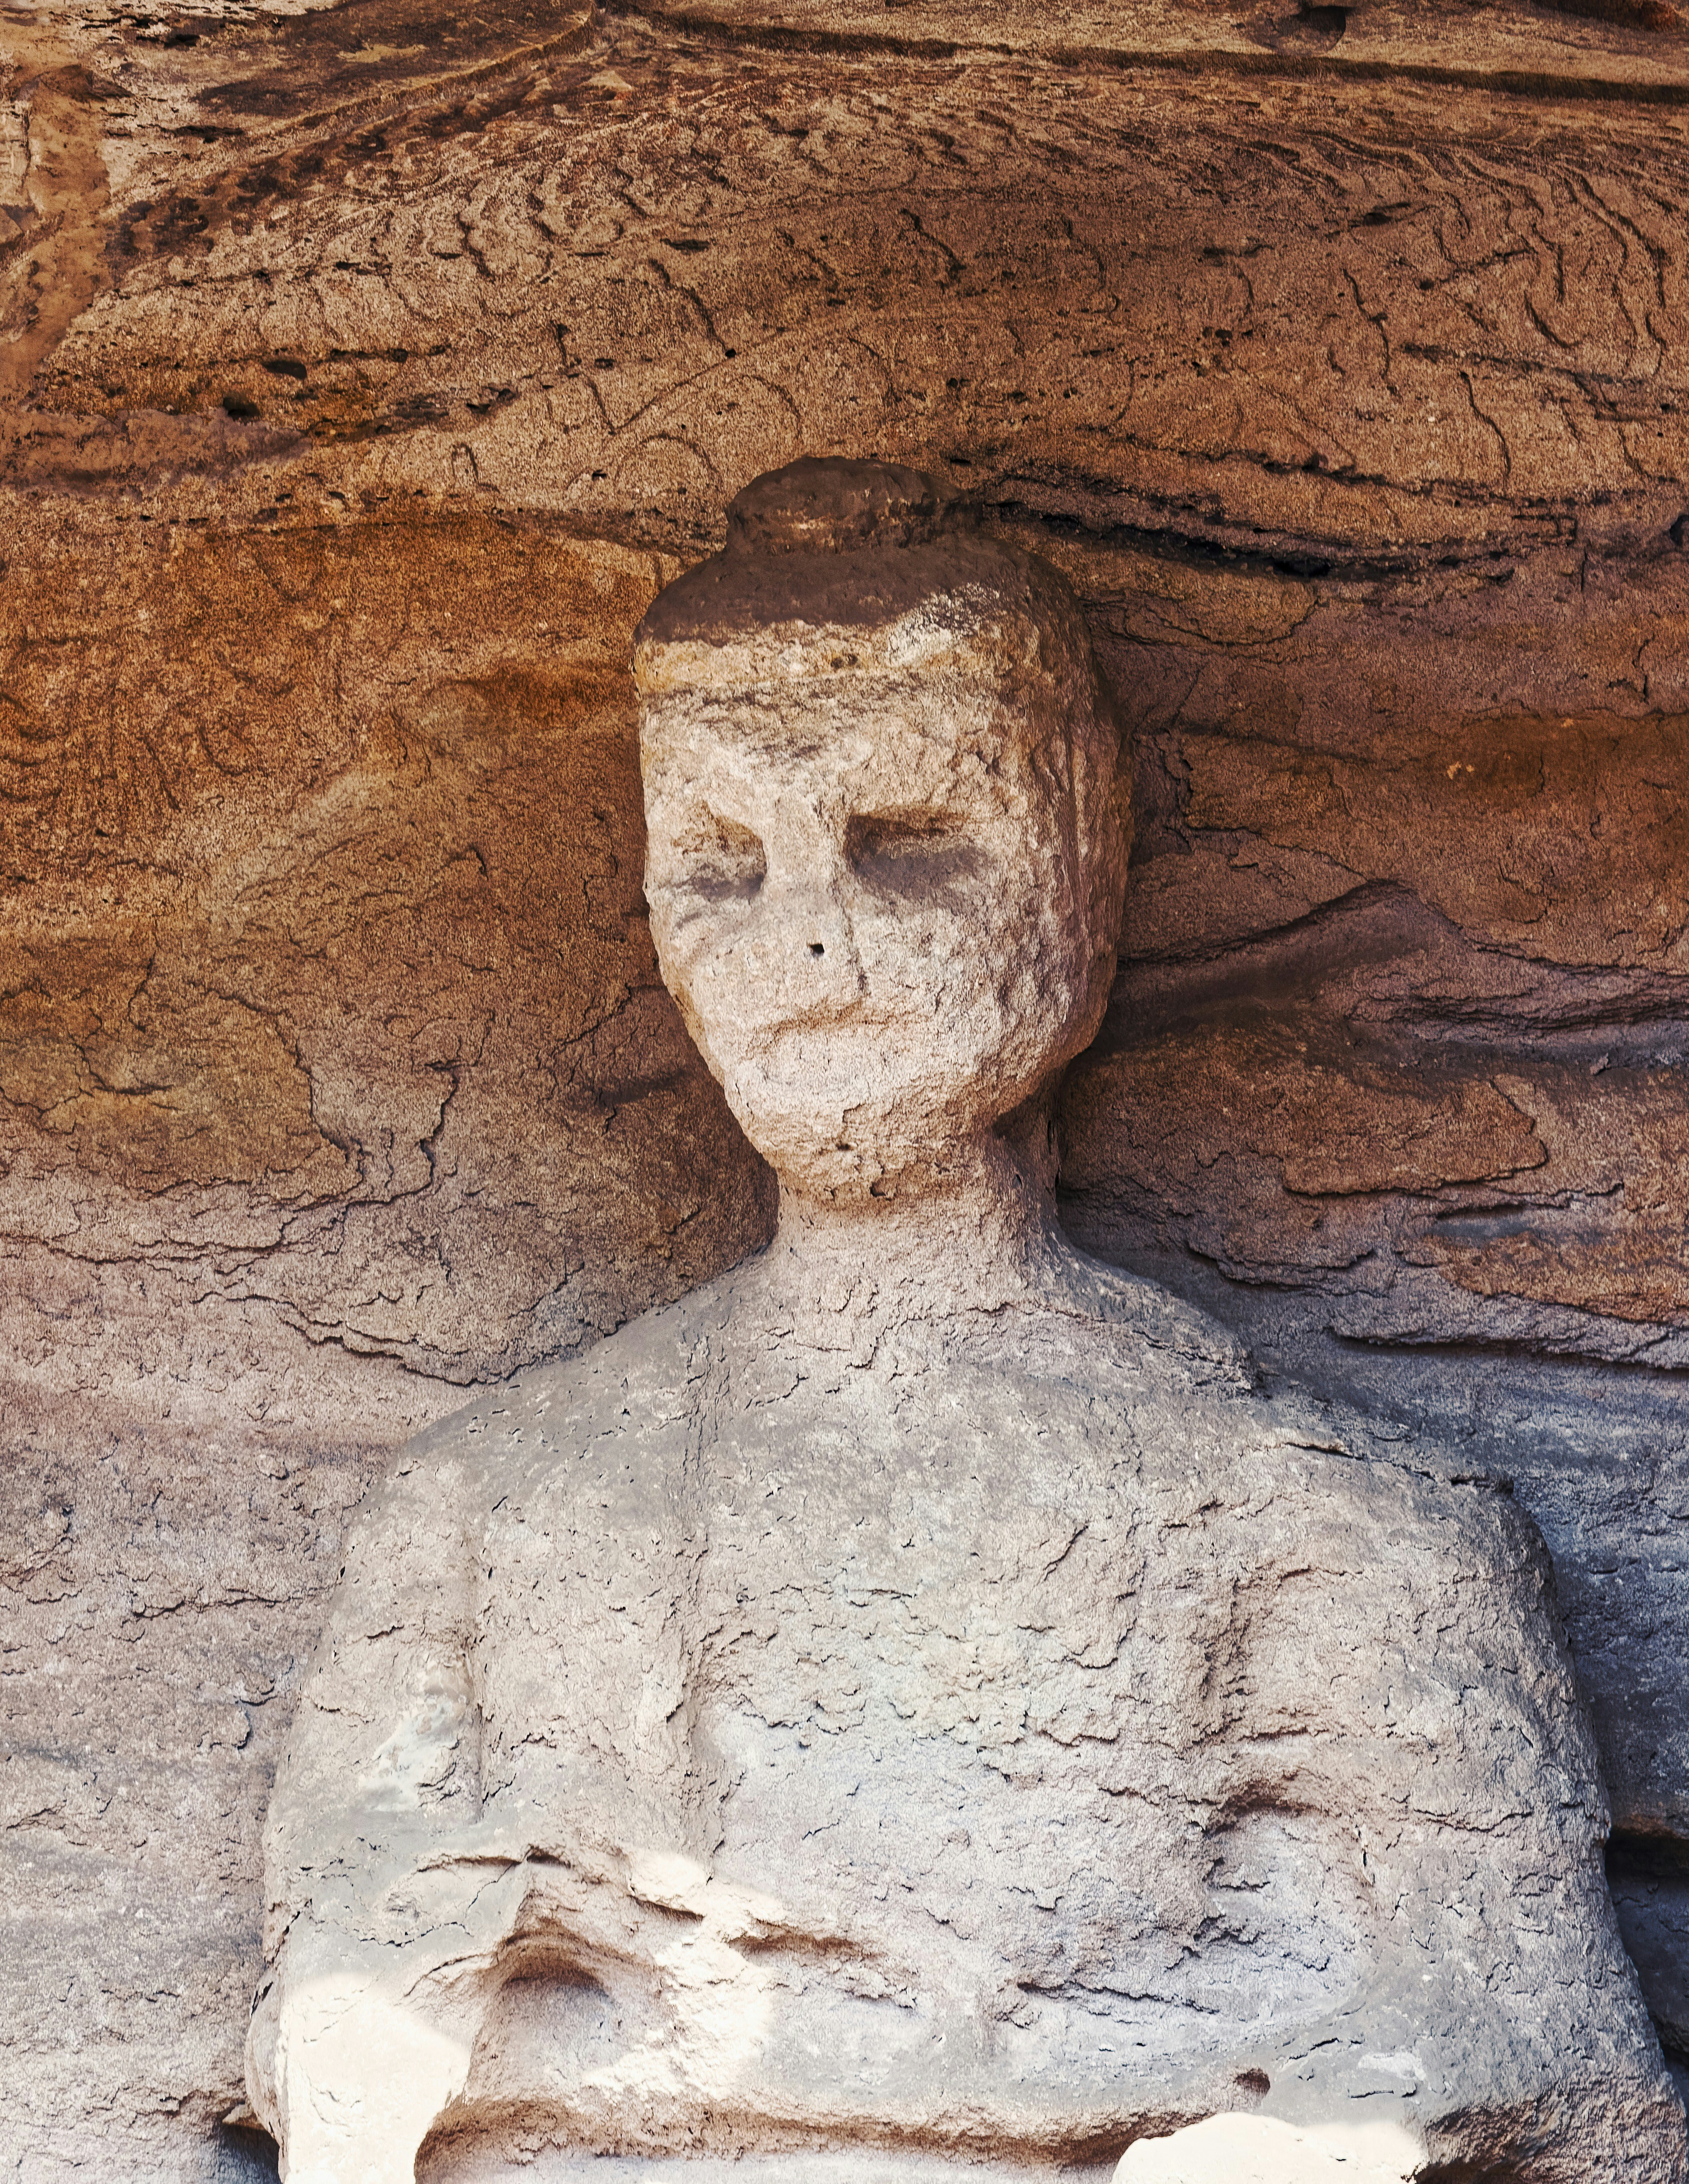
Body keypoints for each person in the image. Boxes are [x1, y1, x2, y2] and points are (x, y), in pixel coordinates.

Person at [248, 460, 1684, 2184]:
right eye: (719, 862)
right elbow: (330, 2011)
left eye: (911, 842)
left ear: (1080, 868)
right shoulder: (491, 1508)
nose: (808, 938)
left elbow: (1556, 2071)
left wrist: (1286, 2140)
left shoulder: (1319, 1523)